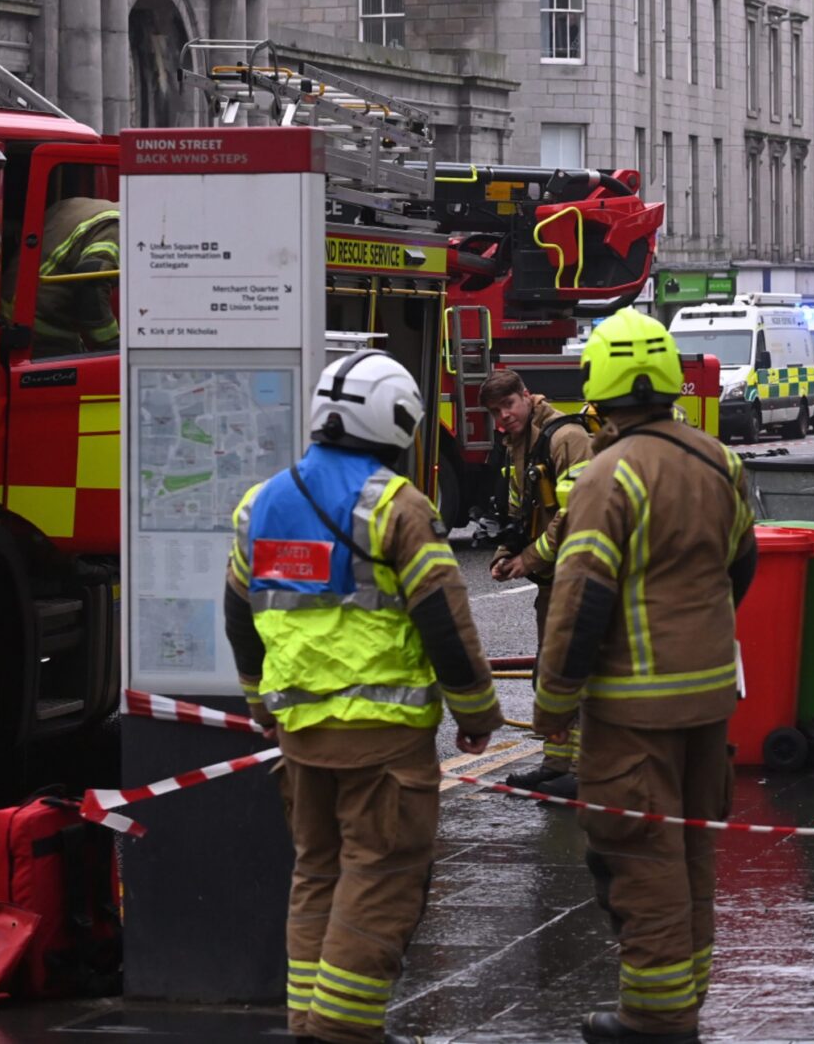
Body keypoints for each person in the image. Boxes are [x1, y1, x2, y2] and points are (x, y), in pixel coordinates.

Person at [223, 352, 502, 1044]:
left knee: (317, 871)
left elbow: (237, 613)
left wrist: (260, 702)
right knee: (380, 878)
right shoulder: (397, 505)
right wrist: (476, 713)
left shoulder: (259, 504)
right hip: (384, 738)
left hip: (300, 734)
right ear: (396, 421)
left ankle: (307, 1022)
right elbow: (443, 616)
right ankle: (343, 1033)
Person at [535, 308, 758, 1044]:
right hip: (706, 695)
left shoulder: (606, 475)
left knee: (640, 853)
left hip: (633, 707)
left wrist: (553, 702)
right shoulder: (719, 460)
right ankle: (684, 991)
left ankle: (657, 1015)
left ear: (599, 388)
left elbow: (581, 599)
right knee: (691, 845)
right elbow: (741, 564)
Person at [483, 369, 594, 797]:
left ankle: (583, 774)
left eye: (507, 406)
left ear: (526, 396)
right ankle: (556, 766)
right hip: (553, 582)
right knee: (550, 676)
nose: (501, 419)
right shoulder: (518, 444)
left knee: (575, 674)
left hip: (582, 576)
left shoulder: (568, 438)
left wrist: (528, 559)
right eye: (494, 412)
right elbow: (519, 509)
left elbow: (577, 514)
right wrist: (504, 552)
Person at [32, 196, 121, 357]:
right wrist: (113, 345)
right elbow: (91, 281)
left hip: (18, 316)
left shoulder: (81, 205)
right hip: (44, 331)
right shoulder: (119, 227)